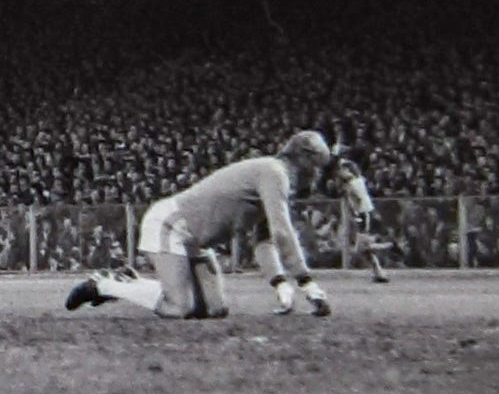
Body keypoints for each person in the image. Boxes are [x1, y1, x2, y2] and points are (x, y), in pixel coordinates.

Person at [67, 130, 336, 320]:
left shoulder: (273, 175)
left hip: (194, 238)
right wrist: (307, 282)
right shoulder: (274, 173)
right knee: (178, 308)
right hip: (171, 224)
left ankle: (130, 280)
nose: (316, 176)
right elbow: (282, 231)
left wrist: (280, 283)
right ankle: (105, 286)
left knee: (215, 309)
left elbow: (264, 238)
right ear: (303, 158)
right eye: (316, 166)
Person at [334, 155, 390, 283]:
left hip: (363, 214)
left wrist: (356, 214)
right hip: (364, 214)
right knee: (365, 250)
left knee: (362, 247)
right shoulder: (357, 181)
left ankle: (389, 246)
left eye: (343, 170)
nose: (340, 172)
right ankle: (379, 273)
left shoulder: (353, 184)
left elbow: (358, 200)